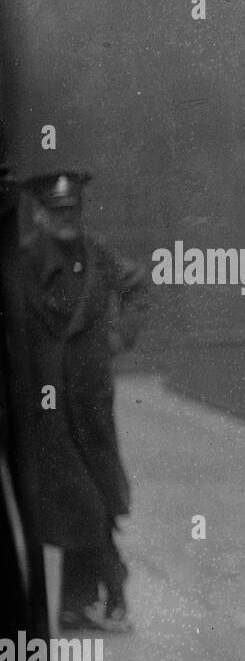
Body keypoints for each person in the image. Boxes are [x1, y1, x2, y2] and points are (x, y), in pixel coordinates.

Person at [7, 172, 148, 633]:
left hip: (91, 397)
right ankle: (114, 583)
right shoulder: (22, 261)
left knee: (100, 492)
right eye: (59, 213)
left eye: (74, 212)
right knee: (83, 500)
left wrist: (118, 336)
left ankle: (75, 605)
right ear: (41, 215)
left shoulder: (96, 253)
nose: (69, 222)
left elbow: (137, 287)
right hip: (44, 400)